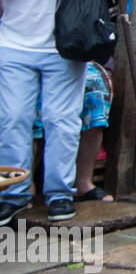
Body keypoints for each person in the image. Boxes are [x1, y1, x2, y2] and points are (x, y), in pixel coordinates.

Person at [0, 0, 101, 224]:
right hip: (12, 41)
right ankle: (13, 195)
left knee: (61, 120)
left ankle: (59, 192)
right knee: (12, 119)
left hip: (61, 46)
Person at [32, 61, 114, 201]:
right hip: (20, 56)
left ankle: (82, 182)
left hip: (66, 56)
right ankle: (23, 183)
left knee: (95, 85)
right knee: (27, 102)